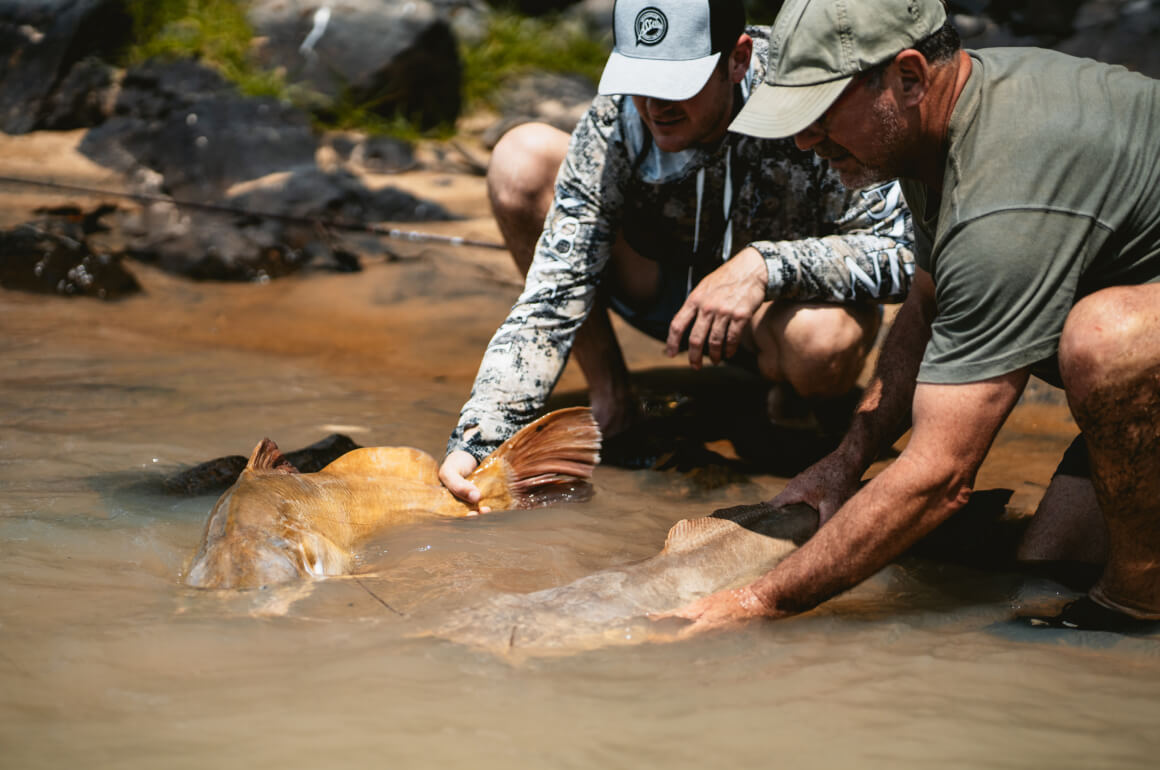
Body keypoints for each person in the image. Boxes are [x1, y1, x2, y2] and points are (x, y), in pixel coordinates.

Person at [667, 0, 1160, 634]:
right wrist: (847, 461)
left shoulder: (1003, 194)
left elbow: (943, 475)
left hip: (1130, 344)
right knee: (1053, 562)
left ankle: (1135, 610)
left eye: (818, 112)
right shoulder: (929, 130)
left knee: (1107, 338)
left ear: (907, 76)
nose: (803, 140)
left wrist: (757, 602)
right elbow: (925, 304)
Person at [439, 0, 915, 505]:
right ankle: (611, 396)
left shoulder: (810, 89)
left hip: (775, 316)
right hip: (660, 289)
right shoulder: (618, 119)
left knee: (822, 343)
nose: (654, 105)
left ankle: (791, 404)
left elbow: (905, 253)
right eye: (641, 81)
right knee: (521, 158)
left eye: (677, 85)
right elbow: (550, 297)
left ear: (738, 60)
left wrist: (763, 267)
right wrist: (477, 440)